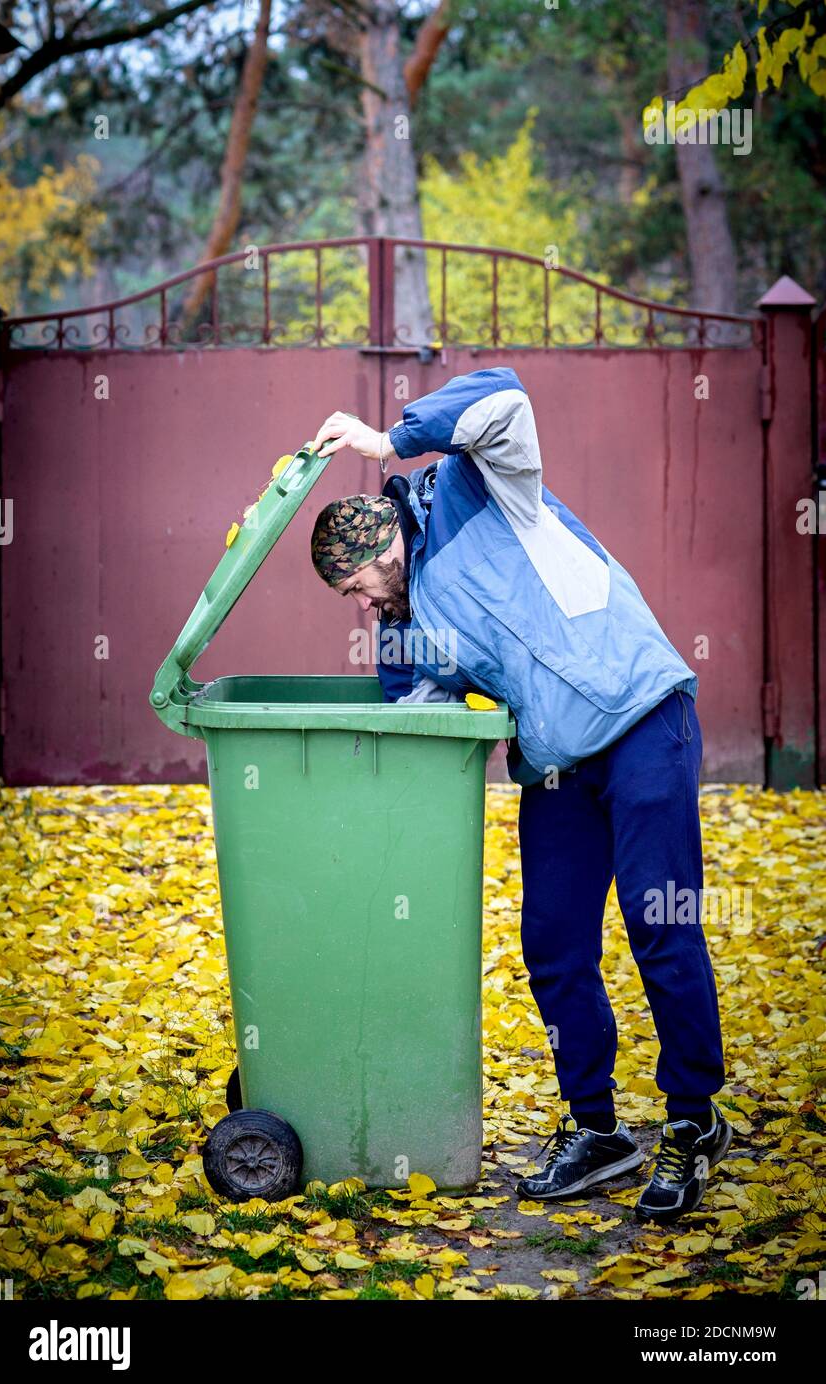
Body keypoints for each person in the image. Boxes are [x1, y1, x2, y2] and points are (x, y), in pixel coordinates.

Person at [309, 367, 731, 1223]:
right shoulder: (406, 612)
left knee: (662, 930)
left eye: (355, 583)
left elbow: (501, 393)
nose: (356, 602)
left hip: (642, 717)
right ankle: (598, 1130)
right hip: (552, 764)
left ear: (380, 543)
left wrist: (388, 437)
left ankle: (693, 1120)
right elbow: (414, 709)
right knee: (552, 947)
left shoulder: (479, 483)